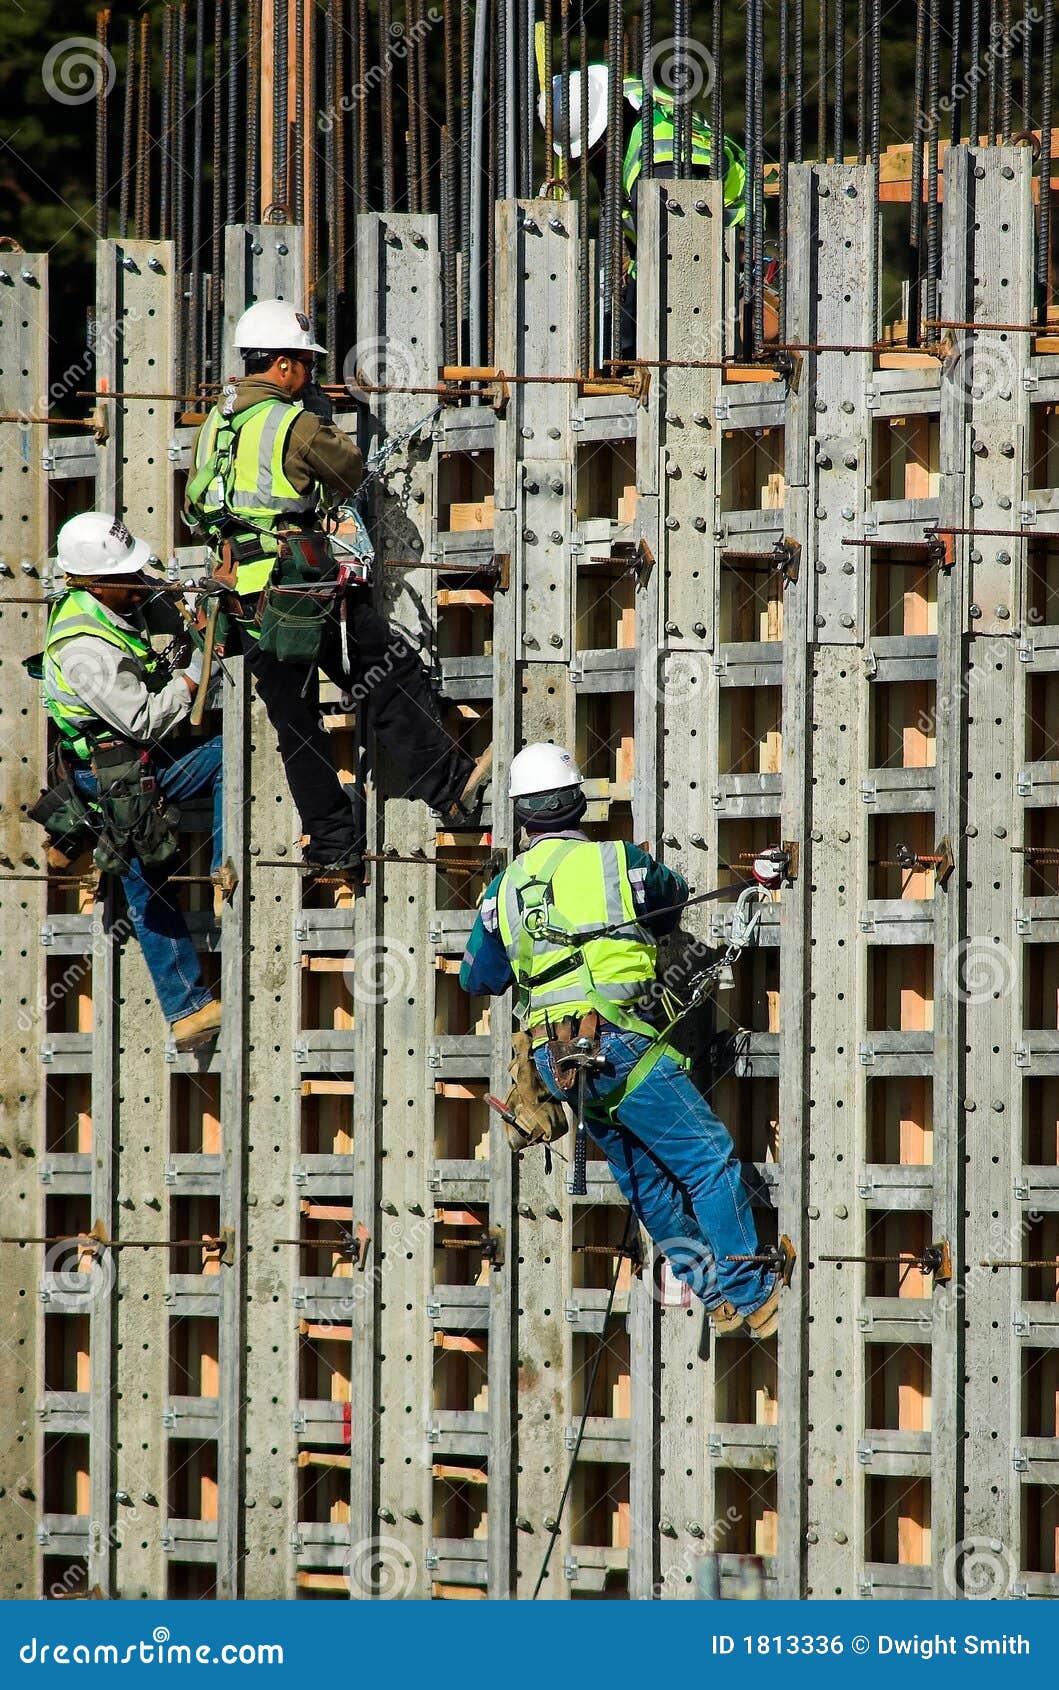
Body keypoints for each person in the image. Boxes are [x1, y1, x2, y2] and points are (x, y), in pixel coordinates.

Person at [459, 742, 781, 1336]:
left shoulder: (500, 893)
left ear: (521, 816)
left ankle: (718, 1299)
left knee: (650, 1186)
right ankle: (751, 1291)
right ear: (577, 802)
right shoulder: (616, 862)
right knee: (707, 1163)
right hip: (621, 1044)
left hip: (561, 1065)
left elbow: (477, 977)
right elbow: (674, 894)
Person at [185, 299, 489, 876]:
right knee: (386, 672)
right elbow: (348, 468)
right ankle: (450, 787)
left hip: (242, 600)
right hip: (300, 591)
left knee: (296, 726)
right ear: (280, 365)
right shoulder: (292, 422)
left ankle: (333, 846)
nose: (310, 375)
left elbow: (195, 506)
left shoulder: (214, 426)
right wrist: (318, 419)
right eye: (304, 363)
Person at [32, 512, 223, 1053]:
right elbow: (139, 721)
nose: (138, 584)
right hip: (113, 774)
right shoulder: (83, 650)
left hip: (118, 768)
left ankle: (187, 1009)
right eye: (128, 578)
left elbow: (147, 588)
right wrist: (189, 680)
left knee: (144, 880)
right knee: (230, 761)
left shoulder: (92, 605)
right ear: (96, 582)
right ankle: (223, 869)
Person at [539, 65, 746, 355]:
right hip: (664, 255)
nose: (583, 162)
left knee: (648, 349)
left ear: (601, 138)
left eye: (587, 151)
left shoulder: (659, 166)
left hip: (716, 256)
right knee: (619, 341)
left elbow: (678, 257)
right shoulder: (632, 98)